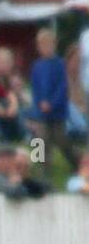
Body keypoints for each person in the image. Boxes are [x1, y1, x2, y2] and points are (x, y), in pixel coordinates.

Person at [28, 27, 82, 177]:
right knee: (39, 139)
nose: (46, 48)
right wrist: (39, 103)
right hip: (41, 112)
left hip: (57, 111)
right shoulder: (36, 66)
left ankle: (78, 161)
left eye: (49, 45)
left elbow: (62, 87)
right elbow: (35, 87)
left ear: (54, 45)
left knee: (61, 139)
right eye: (42, 45)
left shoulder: (59, 64)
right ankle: (42, 168)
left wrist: (51, 103)